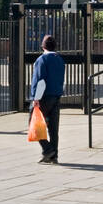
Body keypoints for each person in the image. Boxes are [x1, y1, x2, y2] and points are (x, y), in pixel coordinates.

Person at [31, 34, 66, 165]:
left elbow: (40, 80)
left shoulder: (42, 60)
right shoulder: (59, 59)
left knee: (34, 124)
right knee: (53, 128)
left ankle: (48, 149)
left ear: (43, 46)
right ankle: (54, 156)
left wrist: (36, 97)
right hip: (56, 96)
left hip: (44, 97)